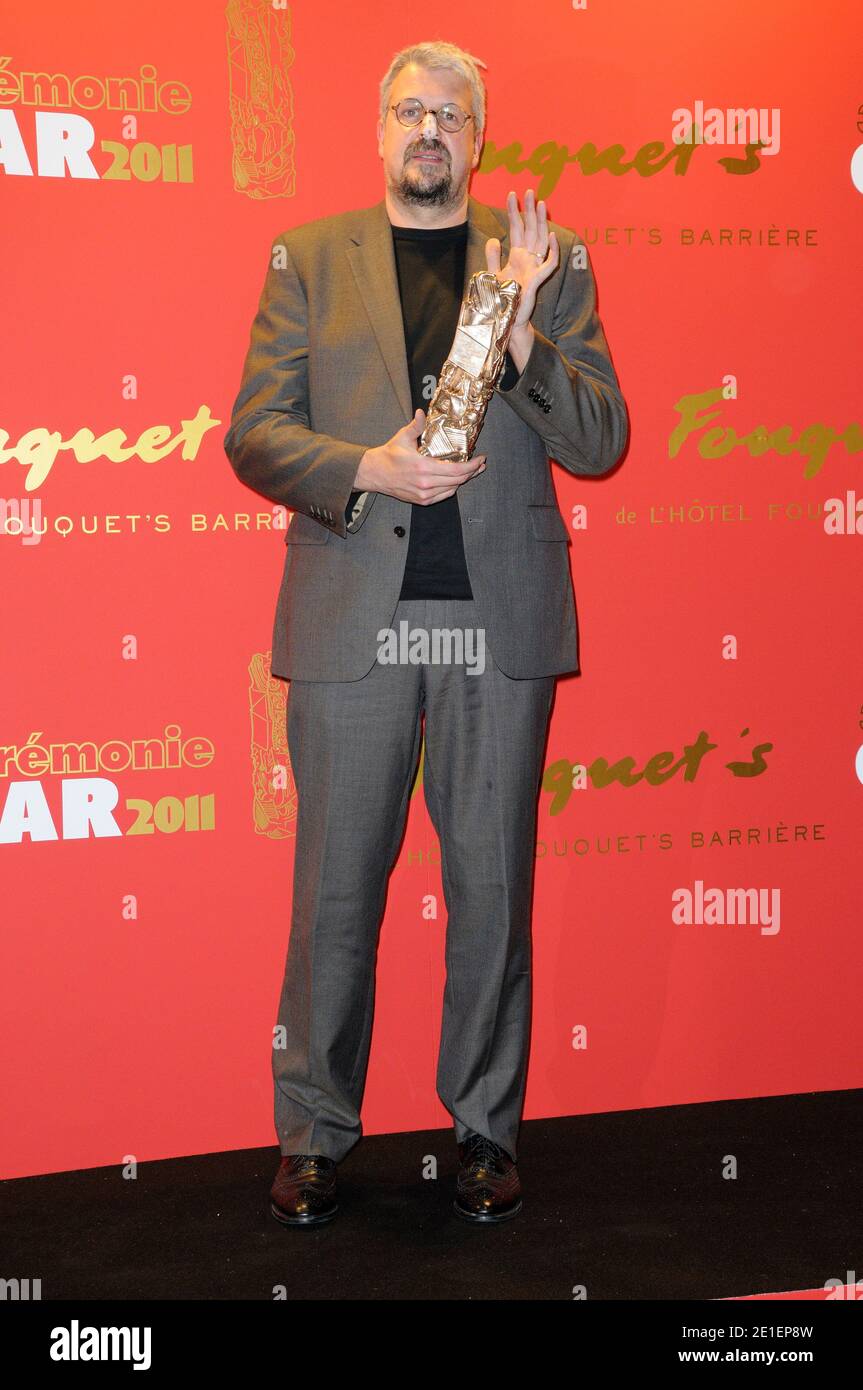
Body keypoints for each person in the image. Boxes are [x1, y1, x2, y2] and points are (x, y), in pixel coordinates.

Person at [223, 39, 628, 1227]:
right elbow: (255, 432)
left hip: (493, 629)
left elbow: (599, 438)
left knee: (491, 891)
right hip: (356, 621)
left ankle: (485, 1134)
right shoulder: (308, 255)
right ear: (380, 128)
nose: (429, 131)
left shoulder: (543, 262)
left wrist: (521, 343)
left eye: (450, 114)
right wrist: (366, 467)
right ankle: (312, 1134)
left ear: (478, 137)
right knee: (333, 898)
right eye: (410, 109)